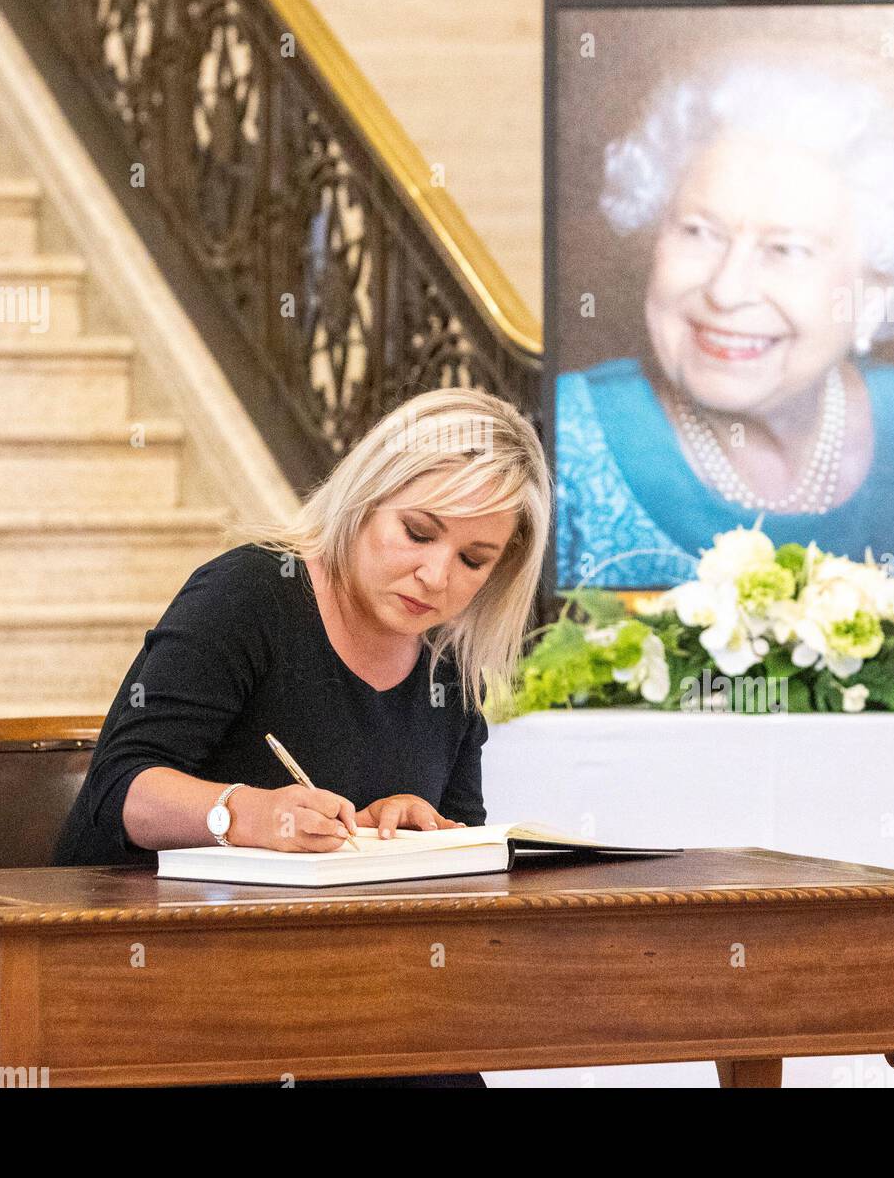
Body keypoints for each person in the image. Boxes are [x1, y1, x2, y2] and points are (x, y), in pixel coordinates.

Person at [53, 386, 551, 1087]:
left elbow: (460, 868)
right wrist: (247, 814)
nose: (437, 575)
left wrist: (411, 832)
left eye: (474, 560)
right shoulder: (252, 593)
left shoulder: (450, 664)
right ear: (364, 497)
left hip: (349, 993)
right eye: (417, 531)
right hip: (168, 977)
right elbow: (117, 792)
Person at [555, 43, 894, 590]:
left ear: (874, 291)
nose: (727, 290)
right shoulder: (561, 443)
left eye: (787, 249)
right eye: (698, 232)